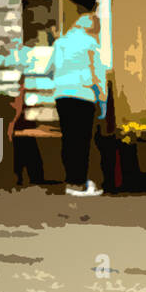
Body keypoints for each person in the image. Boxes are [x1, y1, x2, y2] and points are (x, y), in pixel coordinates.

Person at [50, 11, 108, 196]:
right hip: (83, 95)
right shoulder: (90, 43)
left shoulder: (60, 43)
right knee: (81, 140)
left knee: (68, 139)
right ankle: (80, 183)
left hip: (62, 95)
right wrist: (103, 98)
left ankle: (71, 181)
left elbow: (50, 68)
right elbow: (98, 72)